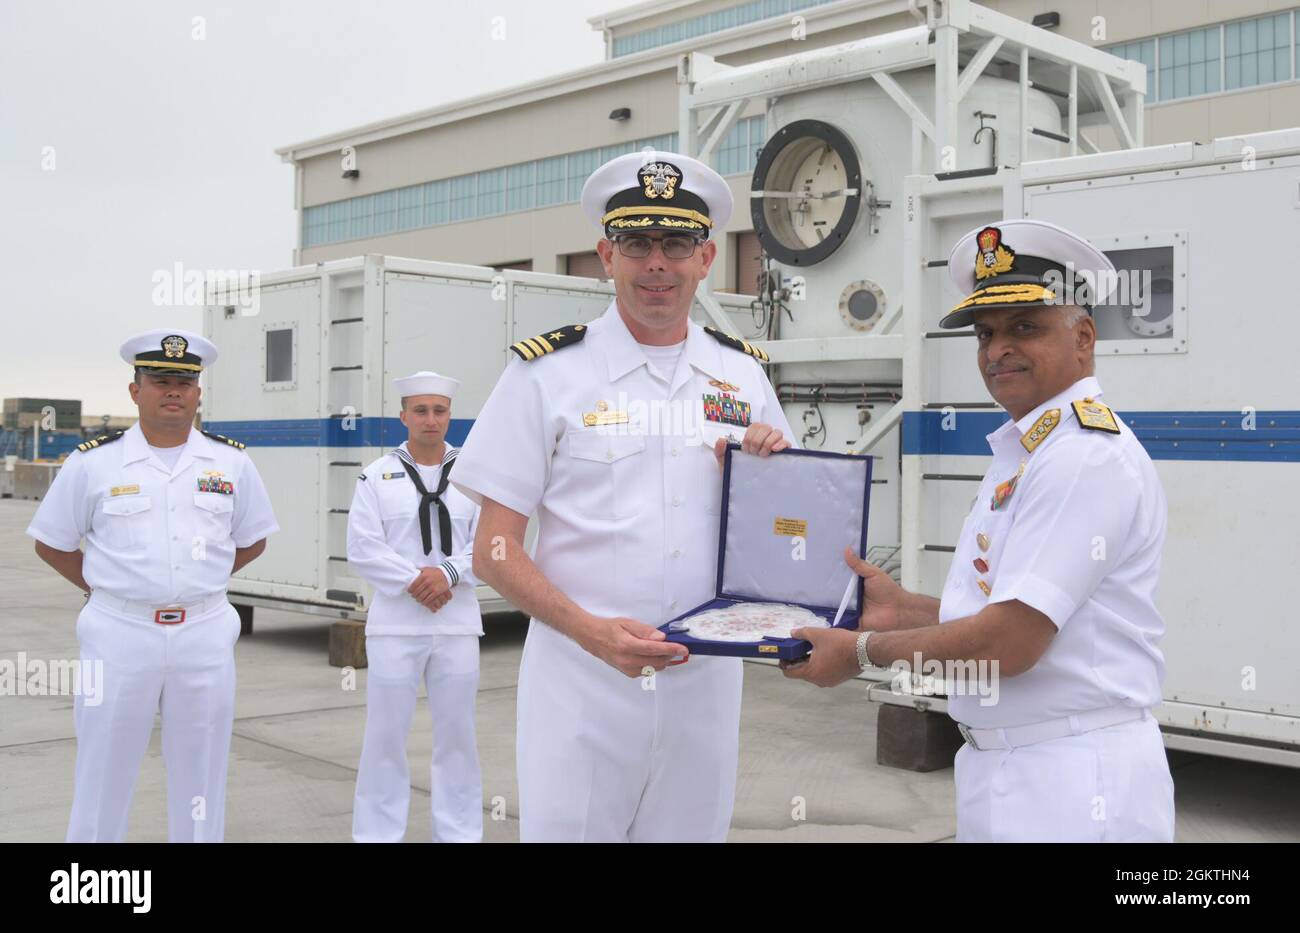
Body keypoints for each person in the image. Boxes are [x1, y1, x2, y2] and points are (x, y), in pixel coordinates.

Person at [782, 220, 1175, 843]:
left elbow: (1010, 644)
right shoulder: (1031, 450)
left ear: (1084, 336)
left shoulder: (1082, 456)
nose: (997, 350)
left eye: (1025, 328)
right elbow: (1016, 612)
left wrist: (859, 653)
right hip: (1013, 770)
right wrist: (903, 611)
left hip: (1072, 786)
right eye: (987, 333)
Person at [451, 151, 794, 842]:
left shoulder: (742, 375)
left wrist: (772, 481)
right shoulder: (547, 373)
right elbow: (491, 549)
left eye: (675, 245)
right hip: (580, 683)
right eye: (637, 244)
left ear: (706, 257)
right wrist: (591, 631)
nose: (656, 264)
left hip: (705, 685)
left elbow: (786, 534)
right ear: (607, 255)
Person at [27, 328, 278, 842]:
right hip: (119, 632)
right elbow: (52, 542)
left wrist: (194, 580)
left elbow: (252, 540)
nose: (172, 391)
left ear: (198, 394)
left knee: (202, 771)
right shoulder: (92, 463)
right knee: (104, 769)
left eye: (184, 383)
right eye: (159, 380)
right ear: (134, 390)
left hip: (204, 631)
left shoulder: (231, 463)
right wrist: (111, 588)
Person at [347, 371, 483, 843]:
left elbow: (493, 545)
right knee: (384, 738)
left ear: (450, 416)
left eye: (439, 410)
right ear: (403, 415)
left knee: (457, 738)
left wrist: (447, 574)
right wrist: (417, 581)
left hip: (458, 624)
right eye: (420, 410)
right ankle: (376, 835)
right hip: (395, 627)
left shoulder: (475, 474)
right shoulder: (376, 475)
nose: (430, 419)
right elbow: (362, 547)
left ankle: (460, 834)